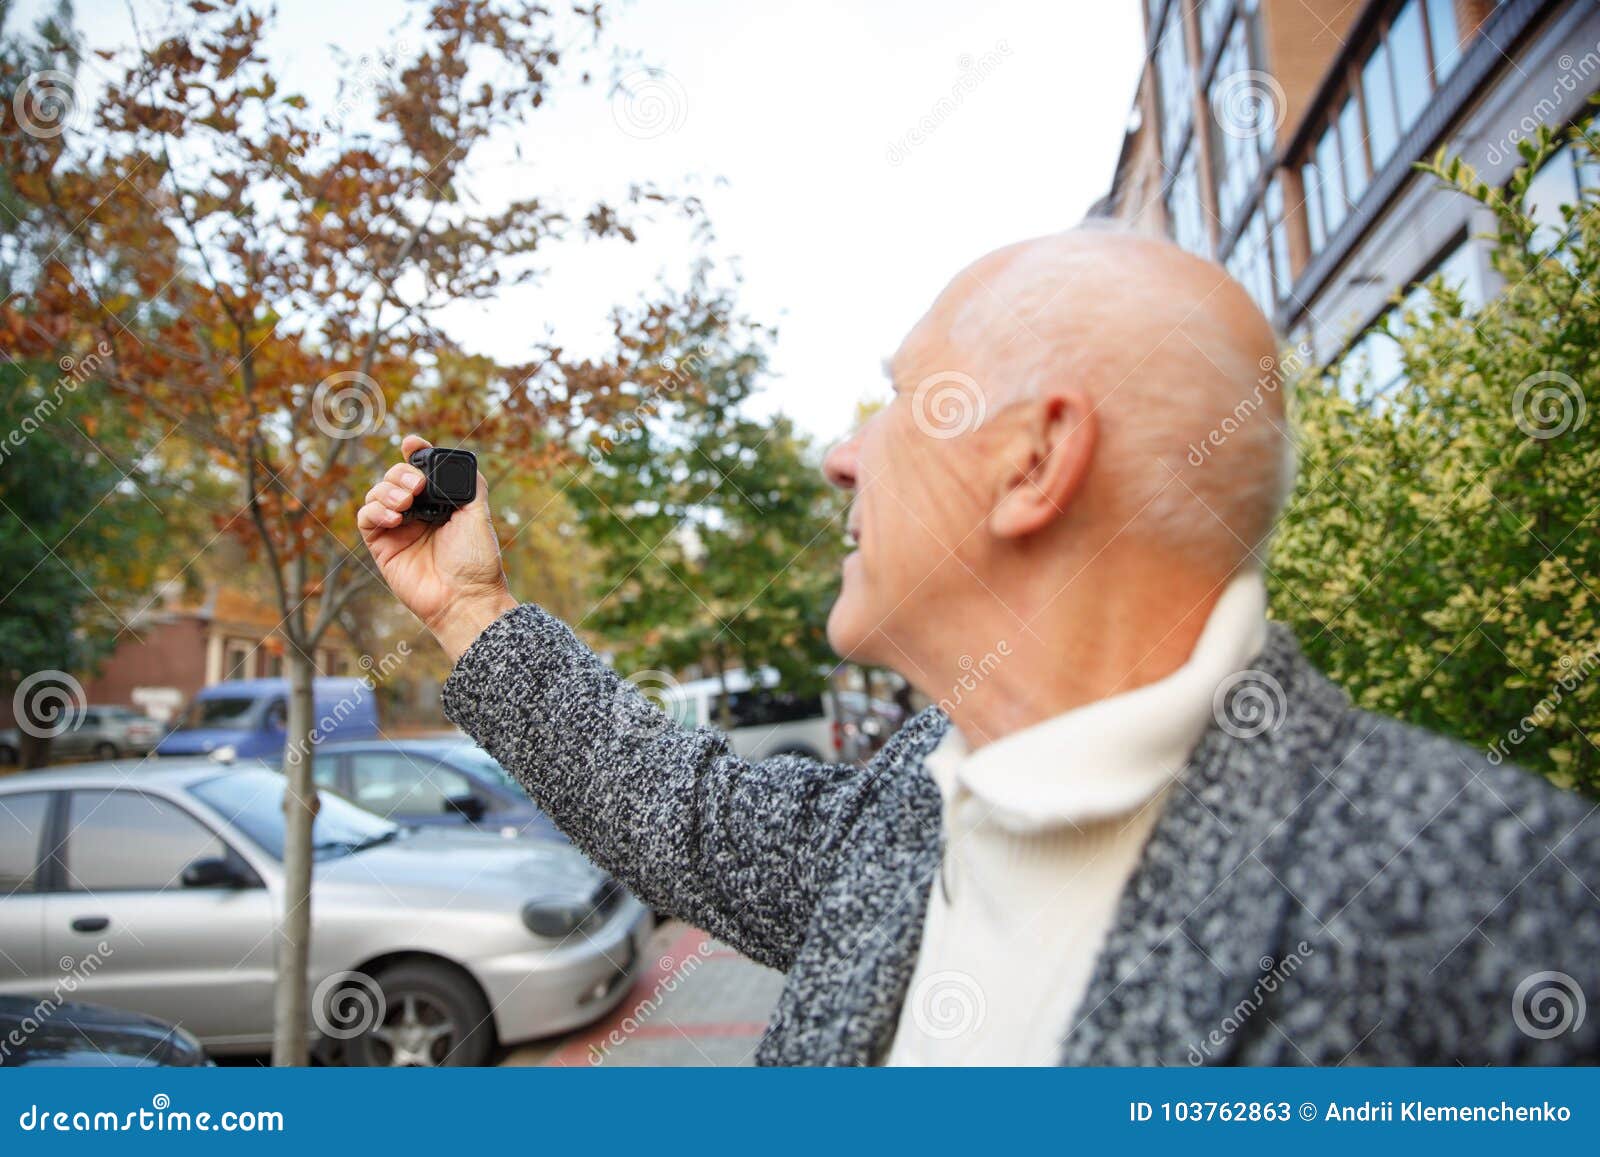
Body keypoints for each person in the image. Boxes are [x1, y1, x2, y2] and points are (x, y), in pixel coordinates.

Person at [359, 228, 1600, 1065]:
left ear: (1033, 461)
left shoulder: (1515, 906)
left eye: (898, 398)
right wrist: (467, 609)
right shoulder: (920, 796)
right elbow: (682, 809)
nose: (839, 454)